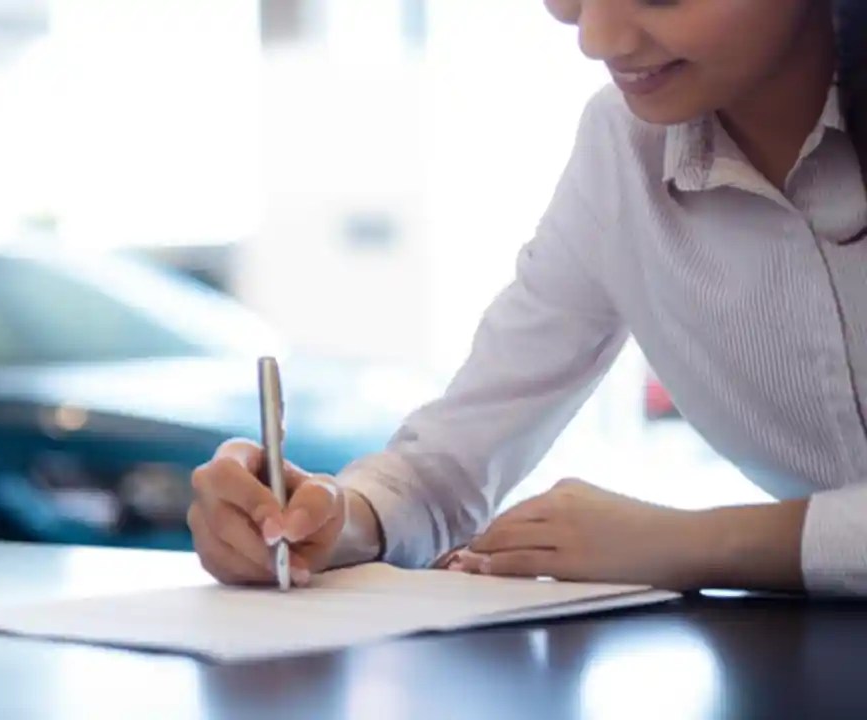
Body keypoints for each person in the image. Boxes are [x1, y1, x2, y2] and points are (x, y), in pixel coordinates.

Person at [188, 0, 867, 596]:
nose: (596, 36)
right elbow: (451, 465)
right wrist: (331, 518)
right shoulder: (624, 148)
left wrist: (689, 544)